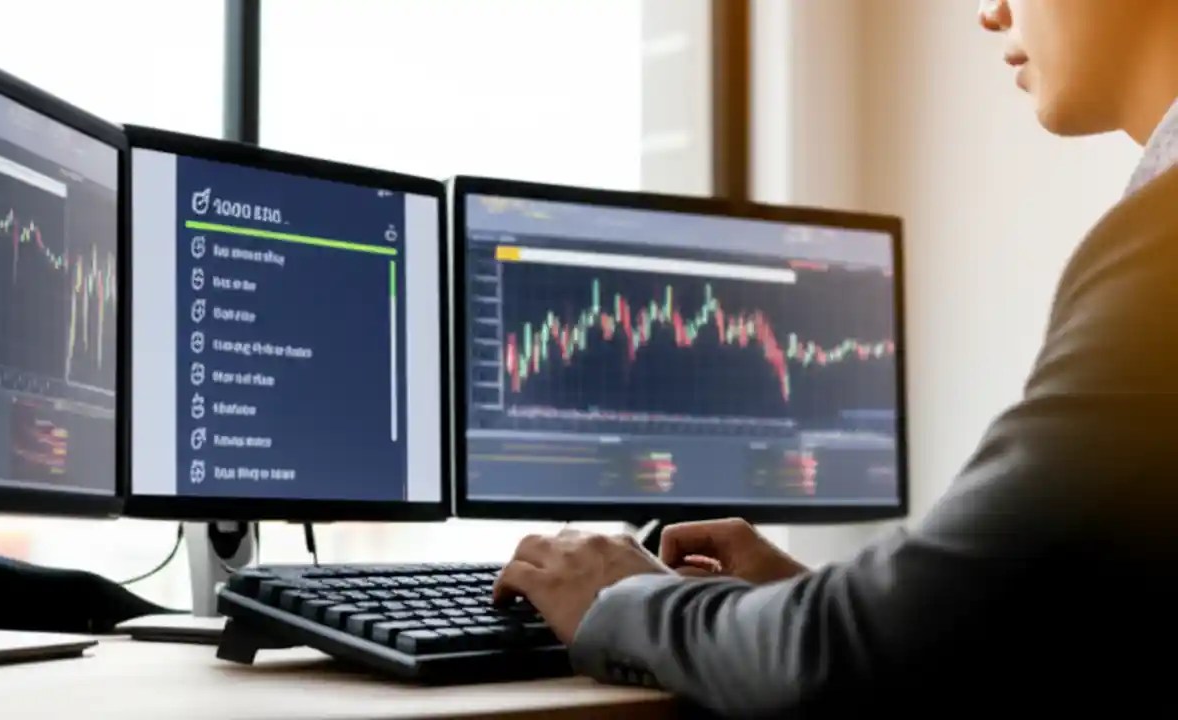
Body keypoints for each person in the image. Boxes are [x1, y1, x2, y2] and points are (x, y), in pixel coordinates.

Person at [493, 1, 1178, 715]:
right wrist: (804, 601)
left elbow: (870, 654)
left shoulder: (1161, 250)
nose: (990, 11)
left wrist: (623, 601)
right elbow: (1034, 630)